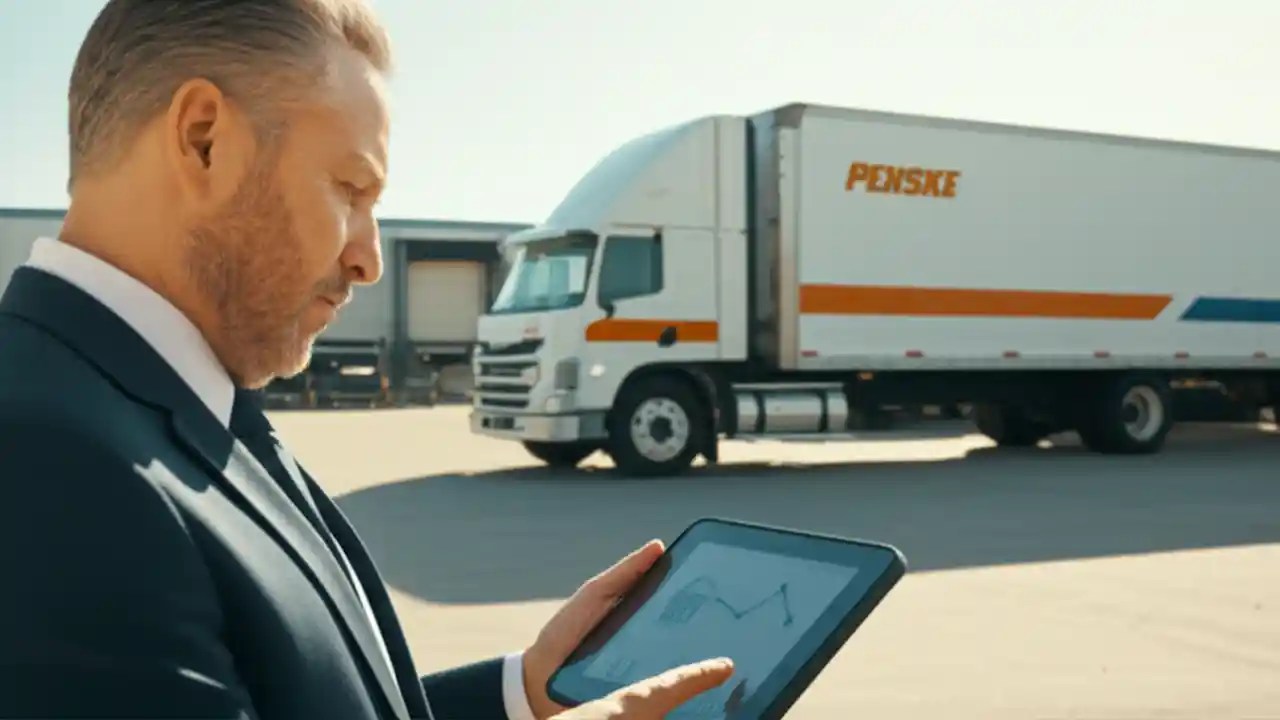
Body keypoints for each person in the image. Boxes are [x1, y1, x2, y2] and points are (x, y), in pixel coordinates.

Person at [0, 1, 733, 718]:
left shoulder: (159, 402)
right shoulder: (46, 462)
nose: (369, 259)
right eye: (350, 189)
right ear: (203, 140)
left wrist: (524, 691)